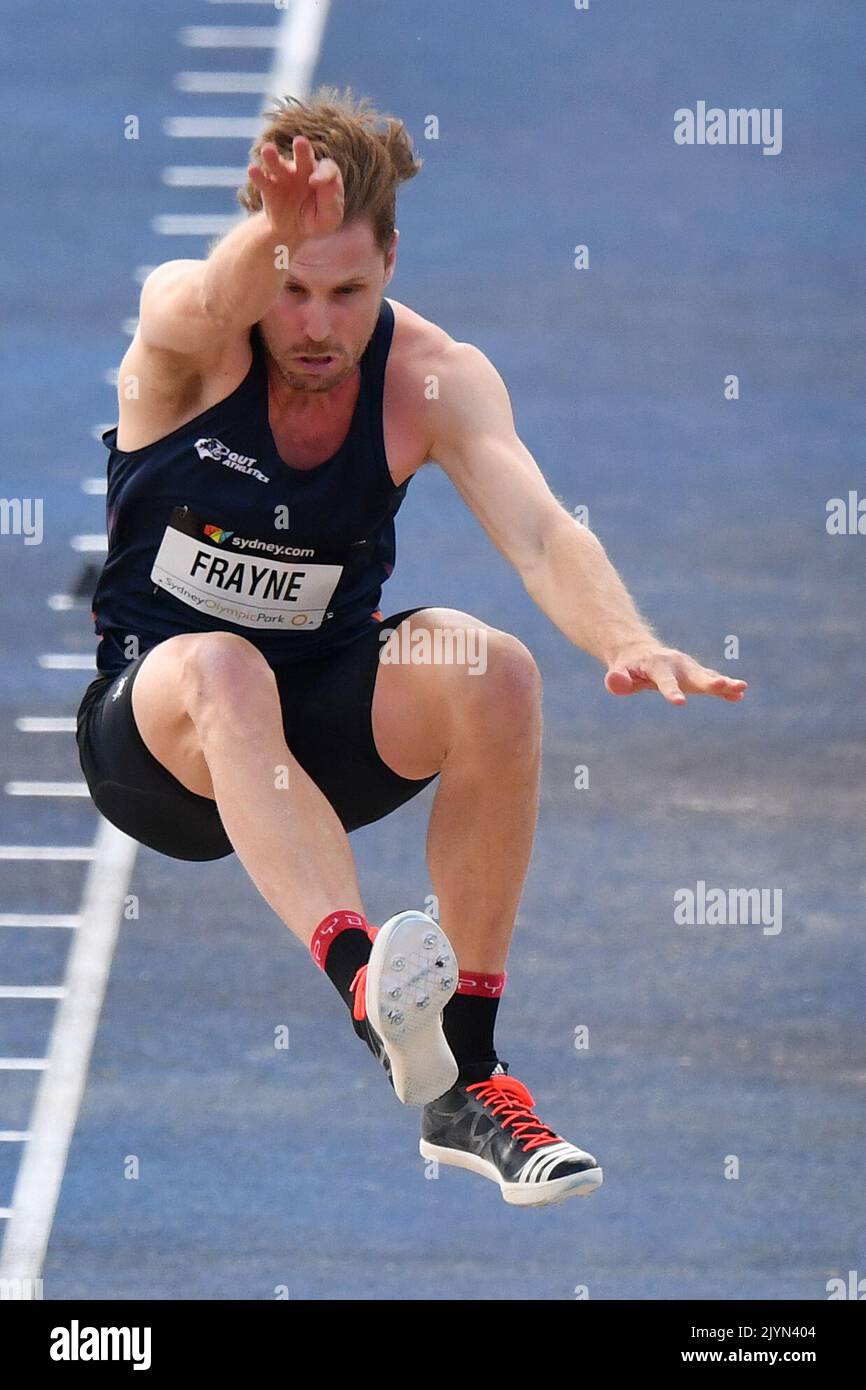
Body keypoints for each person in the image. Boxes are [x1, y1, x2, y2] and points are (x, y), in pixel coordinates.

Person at [76, 87, 747, 1208]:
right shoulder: (186, 337)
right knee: (222, 665)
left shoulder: (431, 378)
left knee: (493, 670)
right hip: (161, 744)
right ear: (258, 260)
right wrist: (267, 237)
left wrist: (626, 635)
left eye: (348, 290)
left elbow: (538, 529)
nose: (317, 326)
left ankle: (464, 1077)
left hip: (322, 727)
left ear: (391, 260)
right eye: (291, 289)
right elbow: (211, 290)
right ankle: (366, 991)